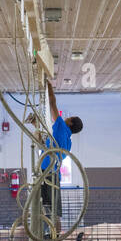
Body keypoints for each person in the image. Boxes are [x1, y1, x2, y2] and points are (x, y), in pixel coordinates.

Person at [37, 79, 83, 221]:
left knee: (45, 208)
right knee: (54, 210)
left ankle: (47, 236)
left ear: (70, 122)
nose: (67, 116)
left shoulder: (61, 127)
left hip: (46, 173)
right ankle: (54, 239)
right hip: (55, 176)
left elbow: (52, 103)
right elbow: (49, 148)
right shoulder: (68, 143)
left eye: (70, 117)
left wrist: (49, 85)